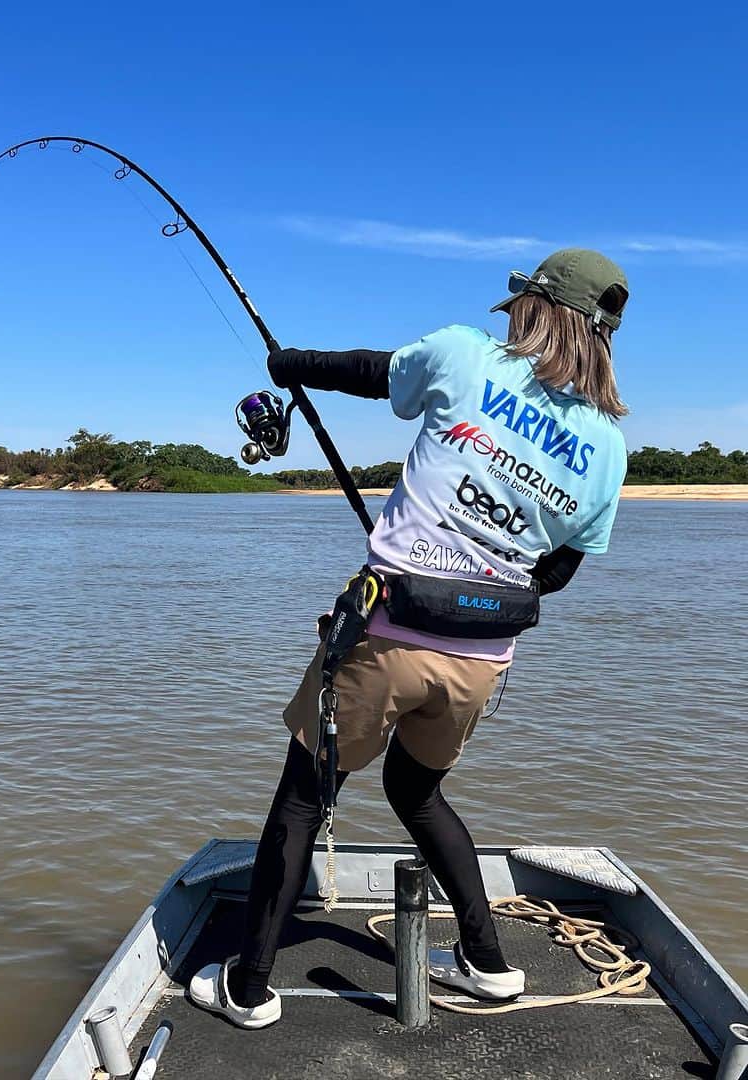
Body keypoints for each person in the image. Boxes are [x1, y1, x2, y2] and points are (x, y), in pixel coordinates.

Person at [189, 249, 630, 1029]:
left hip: (386, 637)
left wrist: (289, 364)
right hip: (481, 663)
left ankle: (249, 989)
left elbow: (371, 370)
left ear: (534, 307)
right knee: (415, 790)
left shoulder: (467, 352)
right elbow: (555, 573)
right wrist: (478, 567)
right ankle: (489, 964)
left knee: (304, 796)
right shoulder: (609, 447)